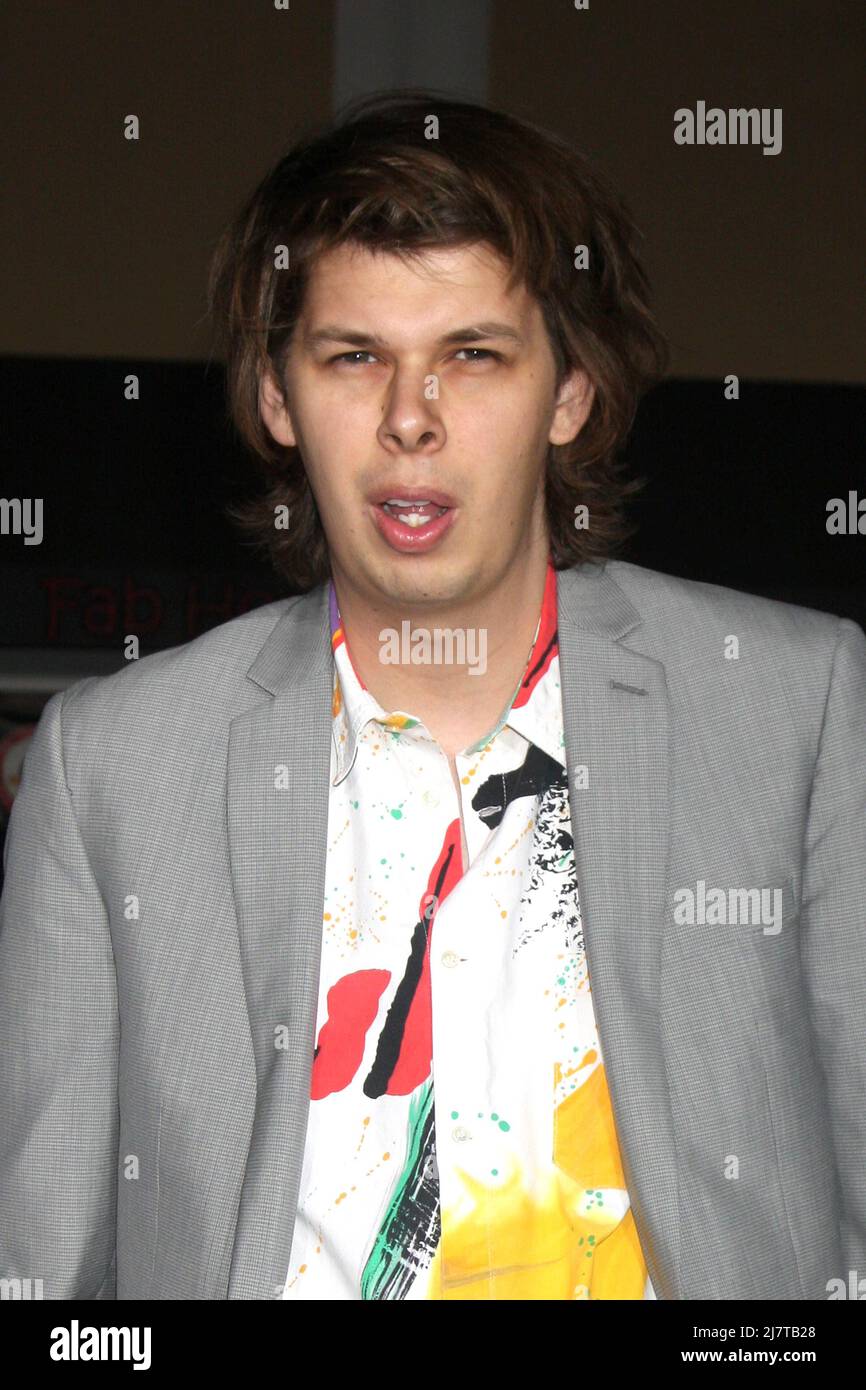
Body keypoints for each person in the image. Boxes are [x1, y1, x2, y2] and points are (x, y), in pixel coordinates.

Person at [1, 89, 864, 1301]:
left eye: (473, 355)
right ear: (274, 397)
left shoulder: (797, 710)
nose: (412, 419)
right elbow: (39, 1275)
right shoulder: (114, 767)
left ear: (567, 393)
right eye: (354, 357)